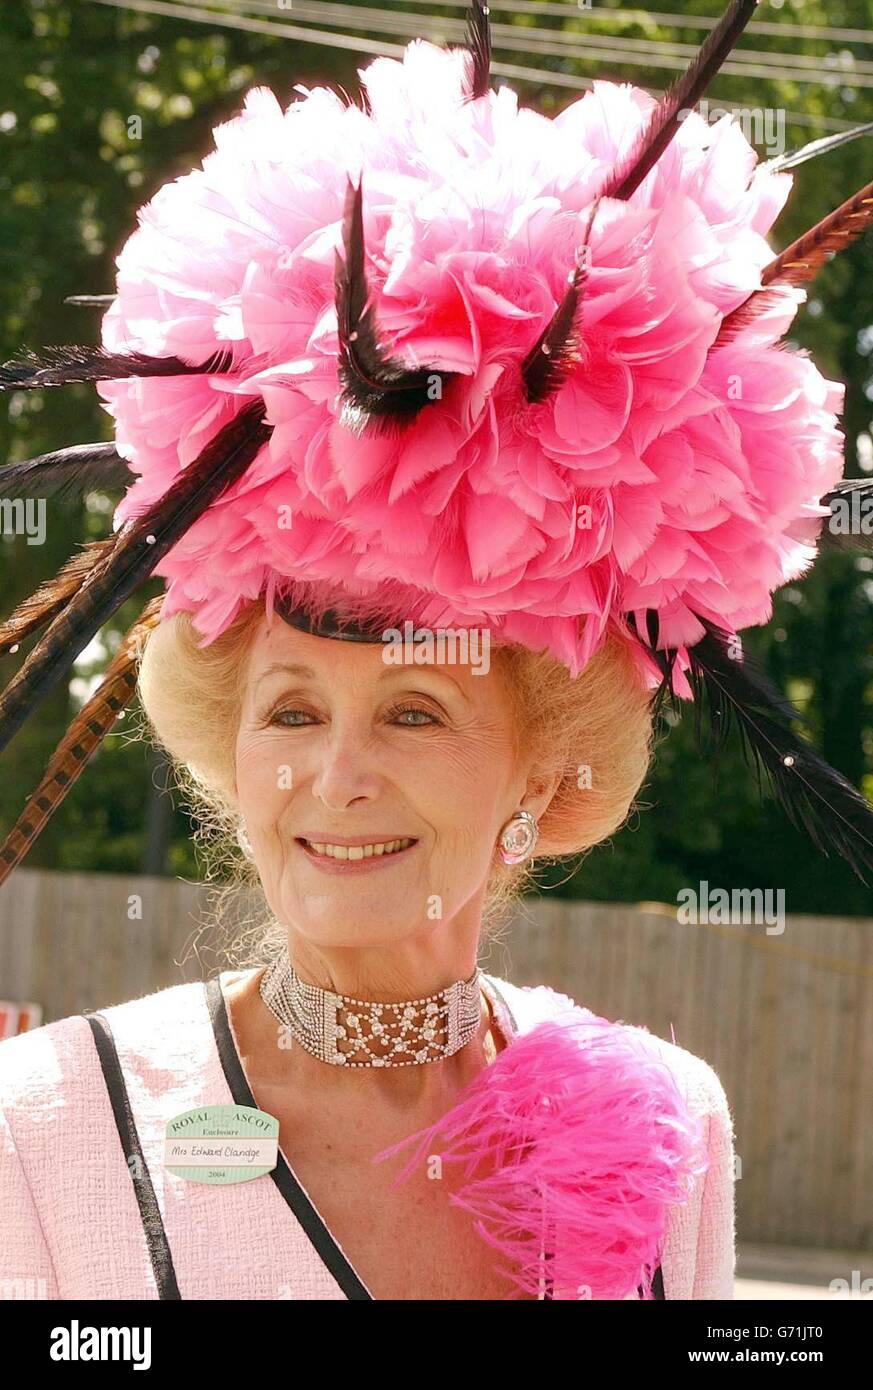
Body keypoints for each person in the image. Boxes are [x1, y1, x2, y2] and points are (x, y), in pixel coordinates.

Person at [0, 1, 870, 1300]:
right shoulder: (46, 1125)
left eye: (413, 711)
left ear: (540, 767)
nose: (335, 772)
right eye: (290, 712)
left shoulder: (669, 1124)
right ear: (228, 747)